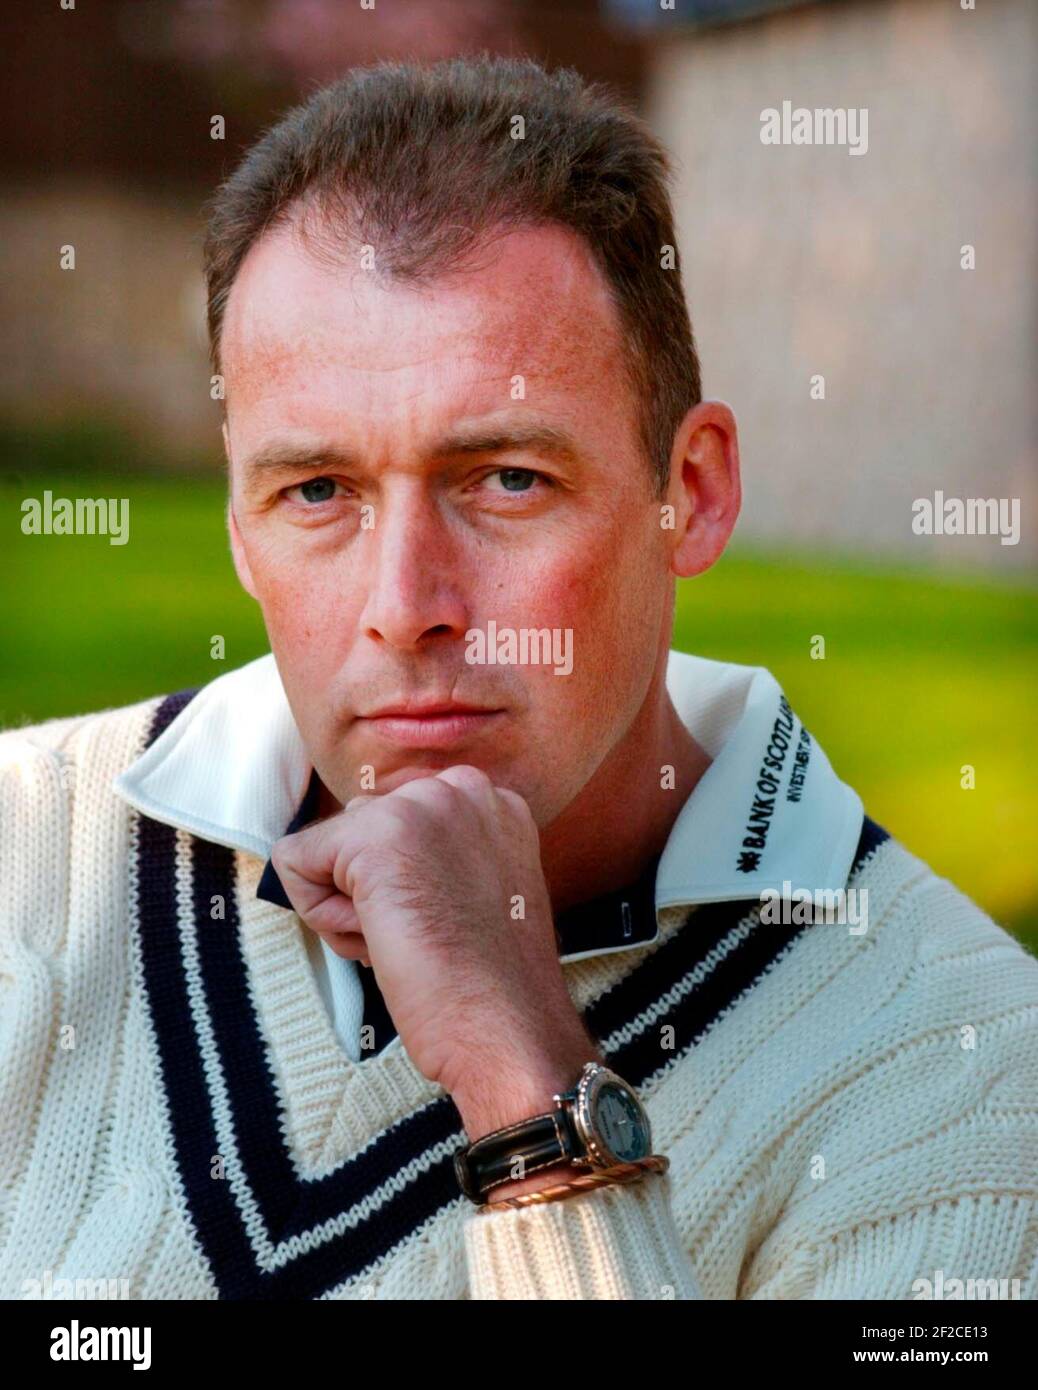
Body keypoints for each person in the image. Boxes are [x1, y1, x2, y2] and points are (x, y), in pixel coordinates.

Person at [3, 55, 1035, 1302]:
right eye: (317, 491)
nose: (404, 610)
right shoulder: (28, 846)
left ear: (688, 493)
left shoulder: (969, 1073)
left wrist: (530, 1091)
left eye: (505, 481)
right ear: (237, 521)